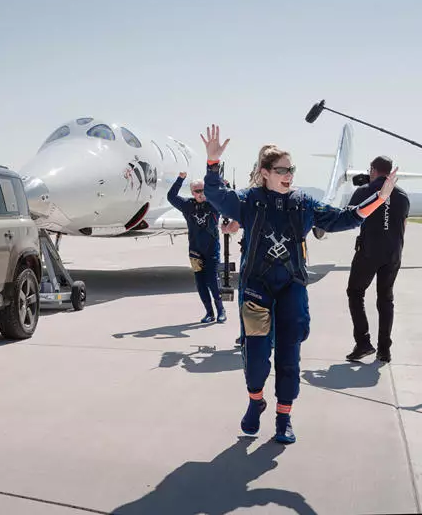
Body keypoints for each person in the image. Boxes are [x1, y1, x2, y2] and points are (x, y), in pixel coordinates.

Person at [200, 124, 397, 444]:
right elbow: (215, 195)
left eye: (291, 169)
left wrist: (380, 197)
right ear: (265, 173)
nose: (289, 174)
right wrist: (212, 164)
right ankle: (255, 401)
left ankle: (284, 417)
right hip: (255, 288)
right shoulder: (248, 201)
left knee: (289, 357)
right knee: (256, 357)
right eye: (282, 169)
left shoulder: (303, 204)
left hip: (291, 288)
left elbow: (345, 217)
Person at [345, 156, 409, 363]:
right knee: (386, 298)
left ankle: (363, 343)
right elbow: (403, 225)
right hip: (393, 253)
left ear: (373, 170)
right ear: (389, 171)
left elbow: (350, 218)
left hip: (369, 252)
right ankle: (384, 350)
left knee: (355, 292)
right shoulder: (403, 195)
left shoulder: (364, 191)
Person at [168, 172, 227, 323]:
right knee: (200, 283)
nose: (201, 194)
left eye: (203, 190)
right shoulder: (187, 205)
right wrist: (180, 179)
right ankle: (209, 312)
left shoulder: (214, 204)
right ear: (192, 193)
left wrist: (223, 185)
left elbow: (228, 198)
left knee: (213, 280)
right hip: (195, 250)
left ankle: (221, 310)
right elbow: (171, 196)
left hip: (212, 248)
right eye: (197, 191)